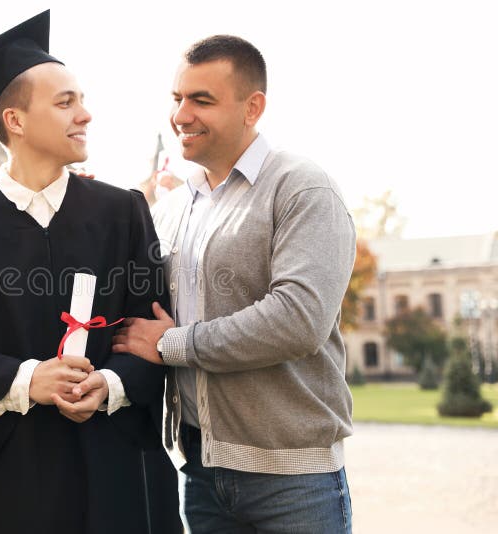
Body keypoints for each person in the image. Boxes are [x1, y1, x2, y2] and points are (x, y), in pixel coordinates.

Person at [0, 10, 181, 534]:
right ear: (15, 120)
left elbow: (154, 332)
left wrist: (109, 384)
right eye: (66, 102)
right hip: (8, 483)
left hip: (115, 469)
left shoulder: (122, 212)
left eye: (80, 100)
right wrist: (27, 380)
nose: (85, 114)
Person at [112, 35, 357, 533]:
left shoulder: (301, 187)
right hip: (200, 473)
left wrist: (173, 344)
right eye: (177, 99)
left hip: (293, 482)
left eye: (202, 100)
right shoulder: (175, 207)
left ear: (253, 107)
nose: (181, 115)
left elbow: (297, 319)